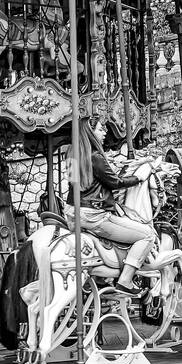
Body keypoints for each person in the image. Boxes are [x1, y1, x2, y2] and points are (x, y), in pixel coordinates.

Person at [68, 121, 157, 296]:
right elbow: (115, 182)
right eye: (100, 129)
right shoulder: (96, 157)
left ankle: (102, 277)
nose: (104, 133)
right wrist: (138, 178)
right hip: (94, 215)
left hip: (74, 212)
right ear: (90, 132)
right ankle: (125, 280)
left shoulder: (73, 156)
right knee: (147, 234)